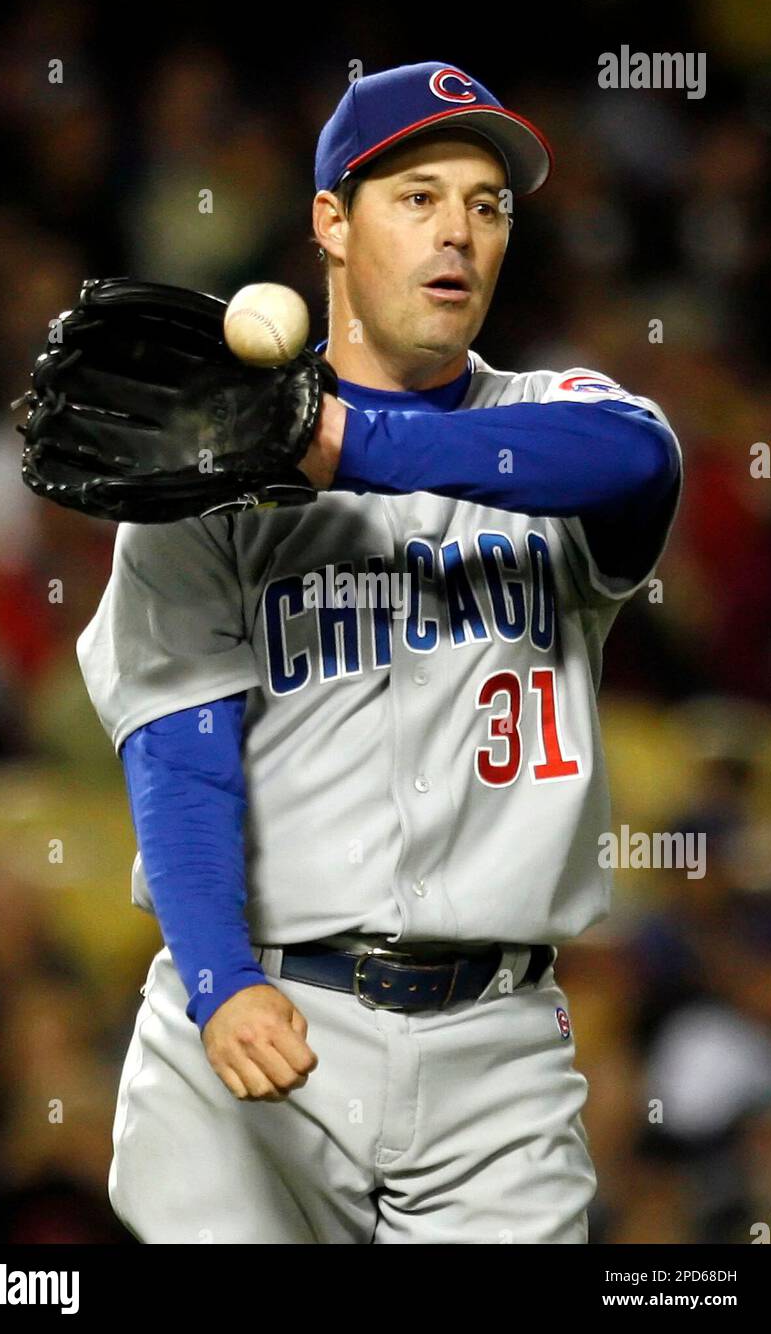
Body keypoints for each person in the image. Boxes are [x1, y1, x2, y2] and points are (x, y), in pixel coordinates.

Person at [77, 60, 683, 1244]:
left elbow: (635, 463)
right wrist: (217, 978)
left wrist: (337, 438)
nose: (458, 230)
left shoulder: (557, 418)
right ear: (329, 223)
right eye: (416, 196)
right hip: (260, 1020)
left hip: (497, 1052)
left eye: (487, 203)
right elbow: (180, 753)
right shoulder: (207, 464)